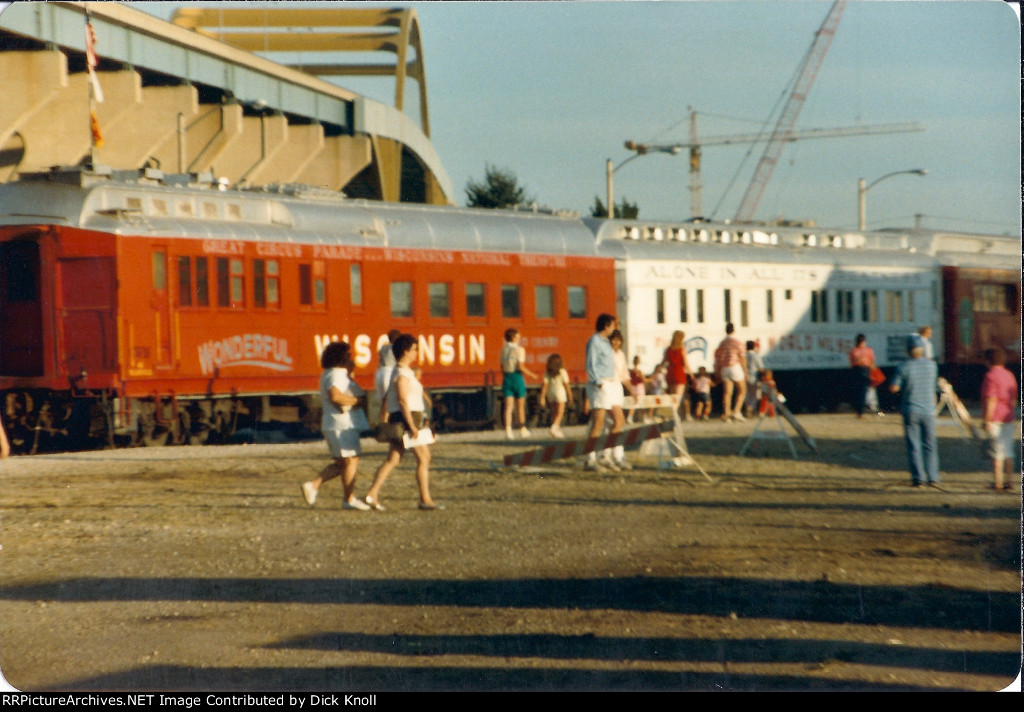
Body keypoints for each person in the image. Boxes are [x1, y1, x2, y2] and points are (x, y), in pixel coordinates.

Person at [364, 333, 441, 510]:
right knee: (424, 458)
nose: (417, 353)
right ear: (406, 351)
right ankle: (425, 499)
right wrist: (413, 427)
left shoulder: (400, 372)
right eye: (415, 349)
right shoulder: (402, 373)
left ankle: (372, 494)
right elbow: (403, 400)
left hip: (406, 418)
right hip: (408, 419)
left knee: (393, 459)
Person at [301, 341, 370, 510]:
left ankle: (314, 486)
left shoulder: (329, 373)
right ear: (340, 358)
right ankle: (348, 499)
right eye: (348, 355)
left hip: (334, 423)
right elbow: (335, 395)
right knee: (350, 460)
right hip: (343, 423)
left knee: (343, 463)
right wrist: (356, 401)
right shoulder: (337, 373)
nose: (351, 358)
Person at [889, 334, 940, 489]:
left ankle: (919, 478)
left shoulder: (903, 366)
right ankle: (933, 477)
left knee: (914, 445)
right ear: (922, 350)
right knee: (930, 444)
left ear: (908, 350)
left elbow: (894, 388)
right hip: (928, 410)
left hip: (911, 409)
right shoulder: (932, 366)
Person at [583, 313, 627, 471]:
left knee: (616, 421)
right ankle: (590, 459)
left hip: (610, 384)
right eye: (613, 325)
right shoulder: (594, 341)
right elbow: (590, 364)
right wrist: (598, 382)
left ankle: (604, 455)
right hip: (600, 384)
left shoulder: (604, 342)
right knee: (598, 424)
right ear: (606, 326)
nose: (614, 328)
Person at [980, 347, 1018, 492]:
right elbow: (1014, 399)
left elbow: (991, 399)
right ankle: (1009, 481)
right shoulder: (1009, 375)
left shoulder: (990, 376)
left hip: (995, 418)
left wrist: (987, 420)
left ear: (988, 360)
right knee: (1008, 450)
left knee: (996, 452)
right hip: (1008, 417)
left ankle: (997, 482)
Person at [500, 328, 538, 439]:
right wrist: (532, 374)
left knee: (508, 407)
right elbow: (520, 366)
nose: (519, 338)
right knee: (520, 407)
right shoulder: (520, 350)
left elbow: (501, 367)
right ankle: (522, 429)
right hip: (517, 377)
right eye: (517, 336)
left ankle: (508, 431)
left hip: (507, 377)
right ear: (513, 337)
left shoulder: (503, 350)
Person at [606, 330, 634, 468]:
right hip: (607, 386)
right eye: (613, 340)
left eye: (618, 340)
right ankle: (607, 454)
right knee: (617, 421)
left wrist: (632, 391)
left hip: (617, 387)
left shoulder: (621, 354)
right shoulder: (606, 353)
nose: (615, 342)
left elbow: (624, 375)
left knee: (617, 424)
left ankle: (617, 455)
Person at [713, 323, 747, 422]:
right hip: (735, 366)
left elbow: (718, 357)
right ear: (733, 330)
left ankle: (726, 413)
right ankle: (736, 411)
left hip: (724, 368)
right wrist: (745, 371)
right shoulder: (737, 342)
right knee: (742, 390)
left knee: (727, 392)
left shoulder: (722, 343)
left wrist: (717, 370)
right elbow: (741, 357)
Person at [539, 353, 573, 439]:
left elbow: (544, 386)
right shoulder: (562, 372)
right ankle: (554, 427)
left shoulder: (547, 373)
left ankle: (556, 431)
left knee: (554, 412)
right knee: (560, 412)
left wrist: (542, 397)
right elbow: (566, 385)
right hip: (560, 393)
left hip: (551, 393)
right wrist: (570, 396)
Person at [662, 330, 691, 421]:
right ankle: (673, 415)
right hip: (679, 374)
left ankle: (669, 415)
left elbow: (663, 362)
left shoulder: (668, 350)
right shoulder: (682, 350)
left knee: (672, 396)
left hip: (670, 373)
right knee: (677, 397)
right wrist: (692, 375)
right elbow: (685, 364)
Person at [848, 333, 879, 418]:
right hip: (866, 370)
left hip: (856, 371)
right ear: (864, 341)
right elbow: (872, 362)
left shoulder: (853, 351)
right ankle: (872, 411)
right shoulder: (868, 350)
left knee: (859, 391)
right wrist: (875, 373)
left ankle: (860, 411)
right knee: (868, 391)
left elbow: (851, 363)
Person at [374, 329, 402, 403]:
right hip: (389, 372)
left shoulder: (383, 347)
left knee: (384, 401)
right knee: (391, 400)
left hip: (380, 372)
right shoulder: (396, 348)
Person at [743, 340, 764, 418]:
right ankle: (750, 408)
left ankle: (747, 408)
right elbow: (761, 368)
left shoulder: (744, 355)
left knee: (747, 394)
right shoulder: (756, 355)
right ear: (754, 347)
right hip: (754, 377)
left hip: (744, 377)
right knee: (754, 395)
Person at [628, 355, 648, 422]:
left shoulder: (631, 370)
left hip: (633, 387)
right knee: (642, 402)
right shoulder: (639, 370)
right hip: (639, 387)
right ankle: (645, 417)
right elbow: (644, 380)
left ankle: (630, 417)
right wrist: (652, 378)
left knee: (634, 403)